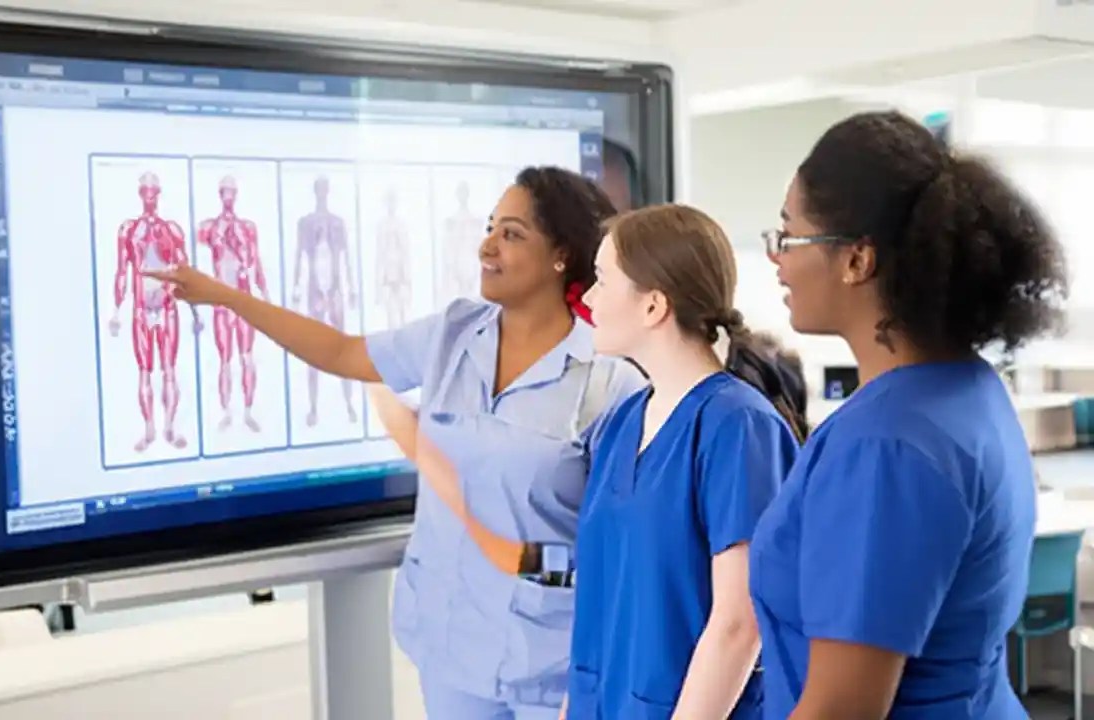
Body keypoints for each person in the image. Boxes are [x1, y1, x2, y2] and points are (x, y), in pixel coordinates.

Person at [147, 166, 645, 719]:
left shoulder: (609, 379)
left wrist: (530, 564)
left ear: (561, 256)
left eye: (511, 233)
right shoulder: (455, 333)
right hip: (450, 647)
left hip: (552, 664)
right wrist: (224, 296)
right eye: (489, 227)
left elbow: (626, 549)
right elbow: (342, 352)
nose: (487, 245)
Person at [751, 111, 1068, 718]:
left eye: (788, 237)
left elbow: (840, 710)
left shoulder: (885, 446)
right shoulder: (967, 388)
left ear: (857, 260)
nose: (777, 259)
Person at [562, 205, 803, 719]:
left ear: (653, 306)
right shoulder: (619, 423)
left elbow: (740, 623)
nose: (586, 298)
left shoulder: (738, 427)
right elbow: (601, 606)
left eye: (602, 280)